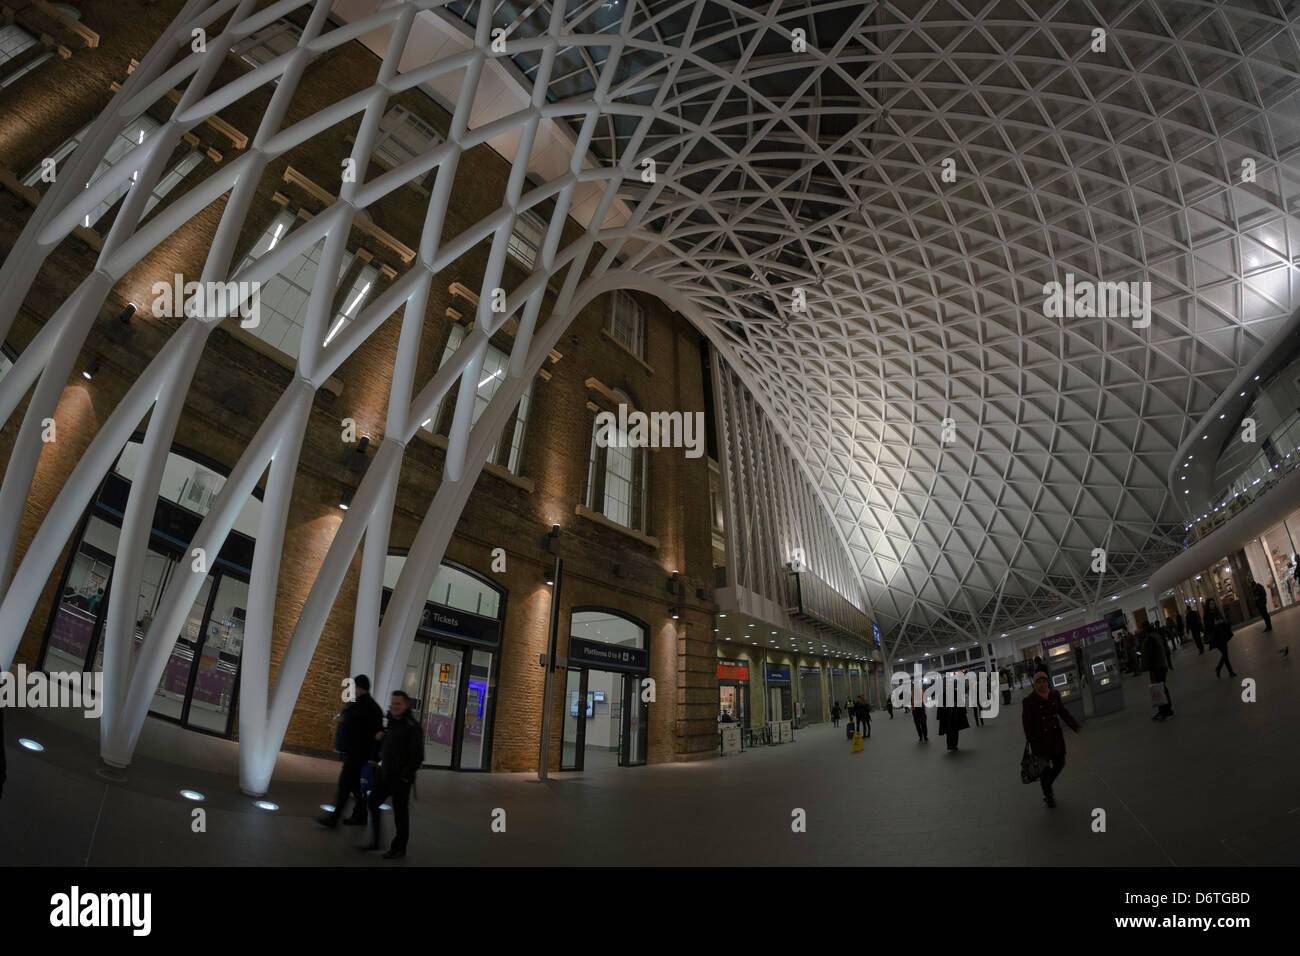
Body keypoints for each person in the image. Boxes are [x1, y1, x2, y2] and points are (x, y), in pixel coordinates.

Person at [318, 675, 385, 829]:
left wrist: (373, 757)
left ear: (359, 687)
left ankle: (334, 818)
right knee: (354, 786)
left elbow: (374, 734)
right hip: (358, 753)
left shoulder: (363, 706)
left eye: (354, 686)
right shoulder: (369, 706)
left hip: (357, 753)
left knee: (344, 785)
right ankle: (360, 814)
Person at [365, 690, 425, 860]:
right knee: (373, 801)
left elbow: (418, 756)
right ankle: (376, 840)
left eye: (398, 703)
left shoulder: (412, 727)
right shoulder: (392, 722)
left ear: (405, 706)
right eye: (393, 703)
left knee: (400, 813)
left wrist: (405, 775)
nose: (394, 706)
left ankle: (399, 848)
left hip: (400, 778)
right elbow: (390, 746)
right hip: (385, 773)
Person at [1022, 670, 1081, 808]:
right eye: (1039, 682)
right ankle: (1049, 796)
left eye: (1044, 681)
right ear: (1035, 684)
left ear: (1047, 681)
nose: (1042, 684)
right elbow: (1026, 722)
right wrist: (1031, 738)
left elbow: (1062, 712)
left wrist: (1074, 725)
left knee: (1060, 762)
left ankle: (1047, 784)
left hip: (1055, 737)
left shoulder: (1054, 695)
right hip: (1040, 741)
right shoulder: (1029, 701)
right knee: (1044, 770)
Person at [1140, 624, 1173, 720]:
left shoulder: (1150, 639)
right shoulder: (1156, 636)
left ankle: (1167, 711)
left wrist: (1151, 669)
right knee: (1160, 688)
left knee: (1160, 688)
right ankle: (1163, 710)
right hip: (1160, 666)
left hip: (1157, 668)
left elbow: (1152, 656)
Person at [1204, 599, 1236, 679]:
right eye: (1211, 604)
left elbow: (1222, 619)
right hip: (1215, 638)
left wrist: (1222, 621)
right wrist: (1214, 624)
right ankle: (1230, 672)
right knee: (1225, 654)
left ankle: (1218, 668)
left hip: (1222, 635)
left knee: (1225, 654)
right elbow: (1207, 626)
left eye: (1213, 603)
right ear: (1208, 605)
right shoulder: (1206, 615)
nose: (1213, 605)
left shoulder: (1217, 611)